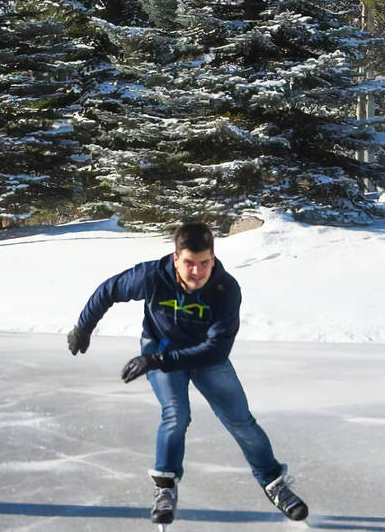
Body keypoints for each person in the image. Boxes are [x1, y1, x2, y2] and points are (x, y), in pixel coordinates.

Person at [68, 221, 308, 527]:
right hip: (161, 345)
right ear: (175, 257)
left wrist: (156, 360)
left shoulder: (226, 289)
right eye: (189, 263)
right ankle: (165, 488)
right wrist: (82, 329)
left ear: (213, 257)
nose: (198, 271)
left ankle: (274, 483)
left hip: (198, 356)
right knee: (176, 414)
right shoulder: (152, 275)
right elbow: (108, 290)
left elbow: (217, 351)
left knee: (241, 421)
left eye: (205, 262)